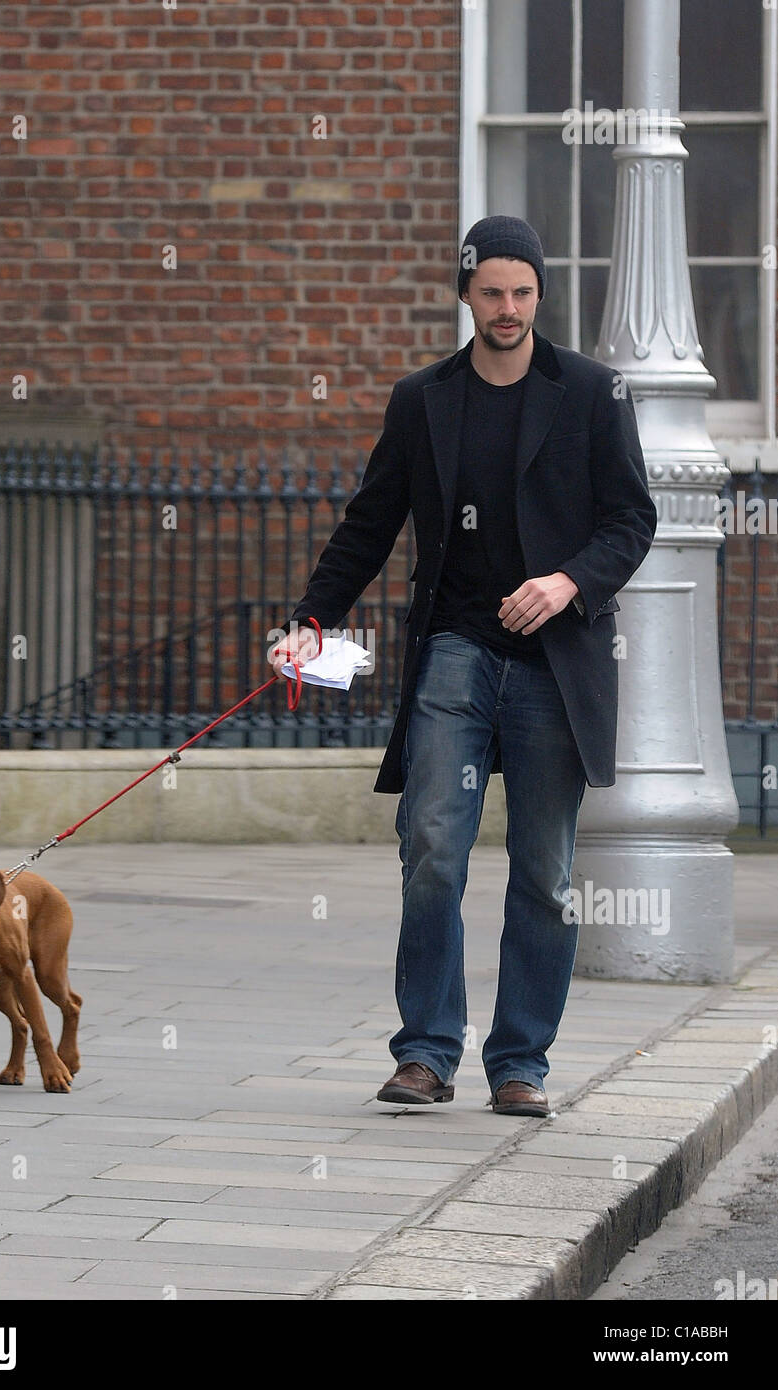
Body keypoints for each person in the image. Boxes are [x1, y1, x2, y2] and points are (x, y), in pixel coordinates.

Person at [270, 215, 657, 1117]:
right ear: (465, 293)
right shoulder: (423, 400)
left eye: (523, 293)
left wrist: (566, 583)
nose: (509, 309)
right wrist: (309, 622)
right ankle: (426, 1054)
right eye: (492, 292)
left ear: (539, 296)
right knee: (433, 848)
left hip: (555, 669)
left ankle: (519, 1062)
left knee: (543, 873)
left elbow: (628, 524)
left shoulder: (594, 393)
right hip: (455, 653)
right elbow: (369, 523)